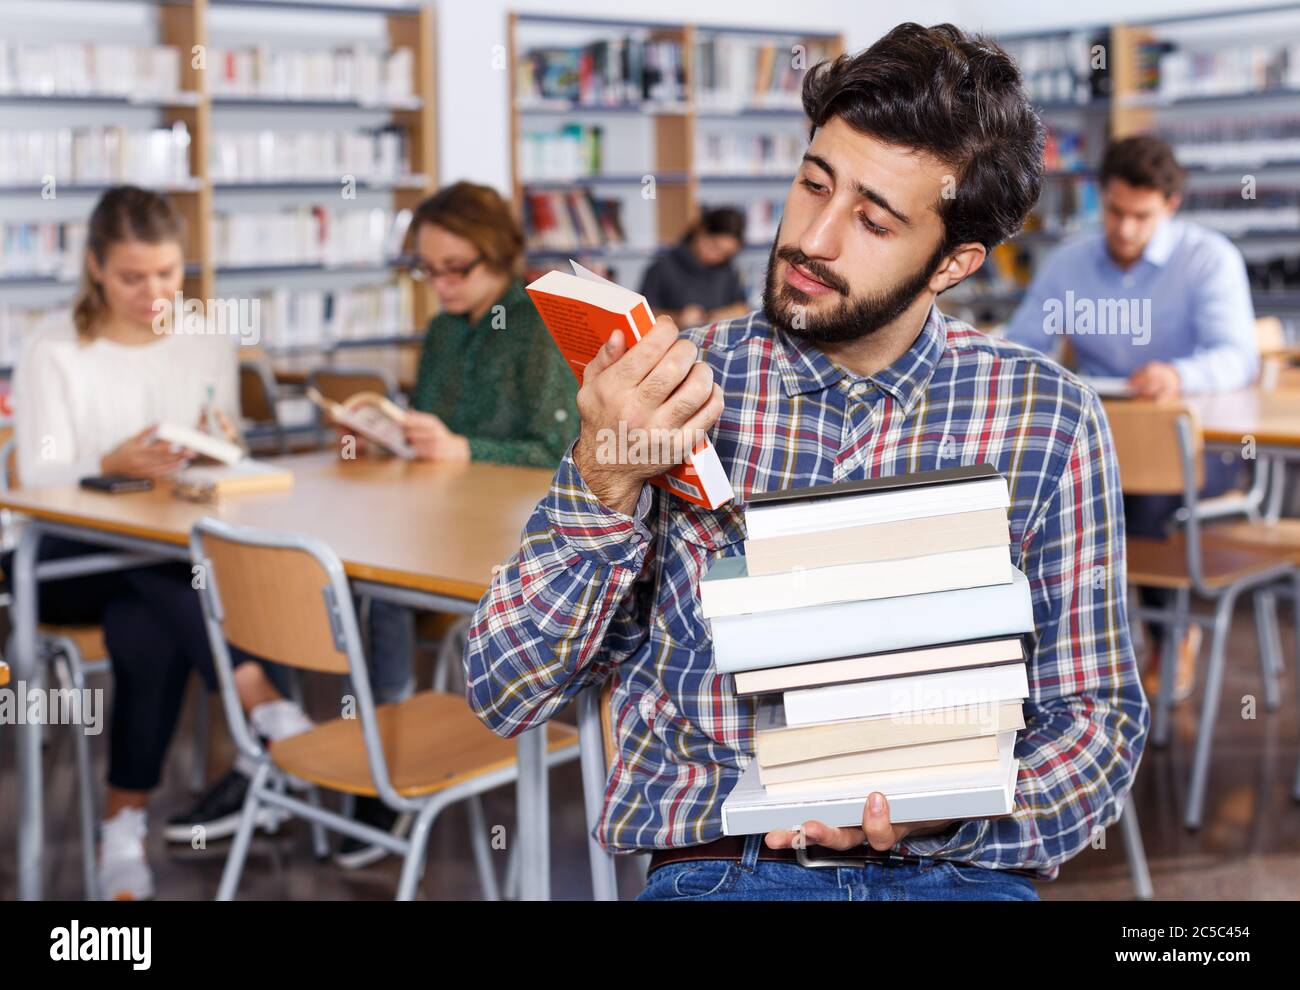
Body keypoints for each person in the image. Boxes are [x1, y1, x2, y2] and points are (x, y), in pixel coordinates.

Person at [465, 23, 1149, 901]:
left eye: (872, 219)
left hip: (959, 868)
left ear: (956, 262)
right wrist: (606, 473)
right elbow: (500, 689)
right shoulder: (666, 384)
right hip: (728, 868)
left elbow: (1097, 724)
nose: (813, 240)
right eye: (812, 184)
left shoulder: (1047, 416)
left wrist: (952, 815)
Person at [12, 186, 314, 900]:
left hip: (166, 561)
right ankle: (259, 696)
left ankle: (122, 833)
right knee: (163, 572)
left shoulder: (206, 337)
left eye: (169, 274)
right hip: (60, 555)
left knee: (145, 620)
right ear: (94, 268)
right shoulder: (54, 347)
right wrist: (107, 466)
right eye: (132, 277)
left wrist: (221, 448)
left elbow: (222, 439)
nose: (155, 293)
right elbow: (37, 475)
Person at [328, 180, 580, 868]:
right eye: (427, 270)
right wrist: (394, 436)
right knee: (364, 565)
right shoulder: (442, 331)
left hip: (512, 533)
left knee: (377, 586)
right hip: (437, 512)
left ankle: (386, 746)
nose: (439, 286)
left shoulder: (538, 322)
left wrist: (465, 449)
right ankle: (382, 741)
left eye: (455, 269)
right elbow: (431, 427)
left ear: (498, 254)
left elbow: (560, 454)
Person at [1004, 135, 1259, 700]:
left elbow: (1240, 357)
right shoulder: (1070, 262)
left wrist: (1179, 375)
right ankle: (1052, 655)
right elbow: (1025, 345)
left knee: (1134, 491)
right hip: (1104, 443)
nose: (1123, 229)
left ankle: (1161, 640)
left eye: (1140, 216)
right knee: (1030, 495)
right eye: (1115, 212)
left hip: (1196, 449)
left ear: (1169, 206)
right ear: (1101, 198)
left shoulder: (1208, 259)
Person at [640, 206, 750, 328]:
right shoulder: (662, 268)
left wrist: (726, 314)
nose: (716, 257)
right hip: (674, 342)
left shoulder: (727, 269)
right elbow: (643, 316)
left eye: (726, 254)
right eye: (714, 247)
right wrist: (678, 318)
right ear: (701, 231)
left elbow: (743, 307)